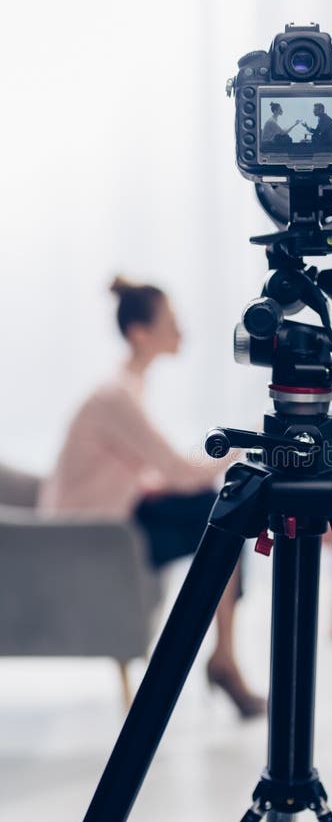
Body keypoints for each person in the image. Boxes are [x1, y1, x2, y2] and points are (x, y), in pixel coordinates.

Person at [38, 276, 265, 718]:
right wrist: (248, 441)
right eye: (172, 323)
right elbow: (178, 471)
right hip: (88, 537)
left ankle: (224, 658)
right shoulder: (115, 396)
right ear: (140, 332)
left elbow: (139, 470)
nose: (182, 334)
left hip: (109, 520)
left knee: (222, 514)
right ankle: (223, 660)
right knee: (220, 515)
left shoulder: (127, 389)